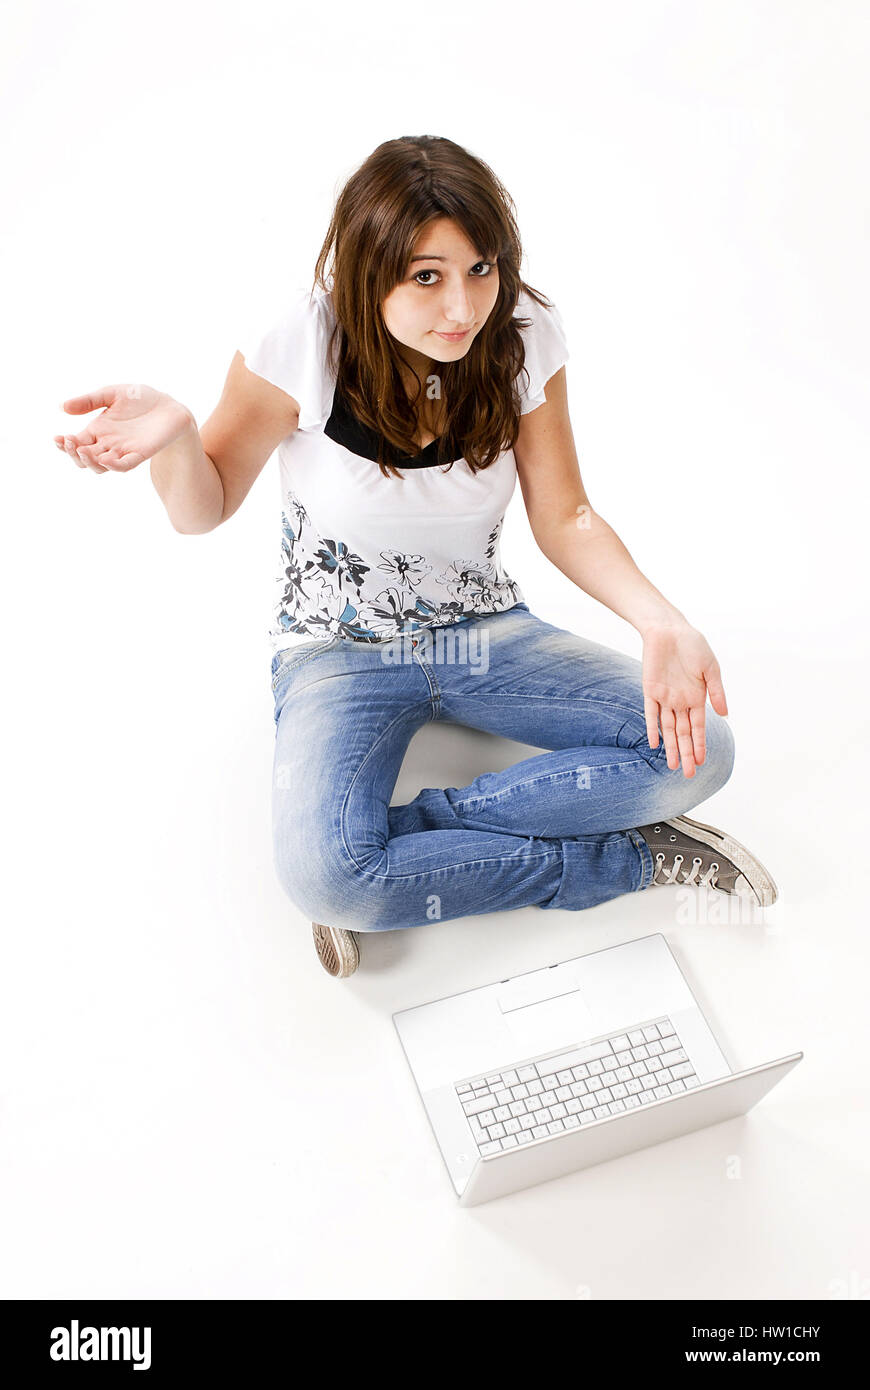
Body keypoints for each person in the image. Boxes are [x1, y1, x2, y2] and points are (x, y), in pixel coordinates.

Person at [53, 135, 777, 980]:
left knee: (699, 750)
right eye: (426, 276)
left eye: (480, 269)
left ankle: (401, 853)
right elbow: (201, 506)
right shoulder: (304, 340)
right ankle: (623, 858)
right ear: (371, 273)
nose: (461, 307)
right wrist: (177, 437)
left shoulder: (526, 334)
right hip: (338, 652)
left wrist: (663, 622)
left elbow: (566, 513)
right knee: (330, 877)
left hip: (483, 634)